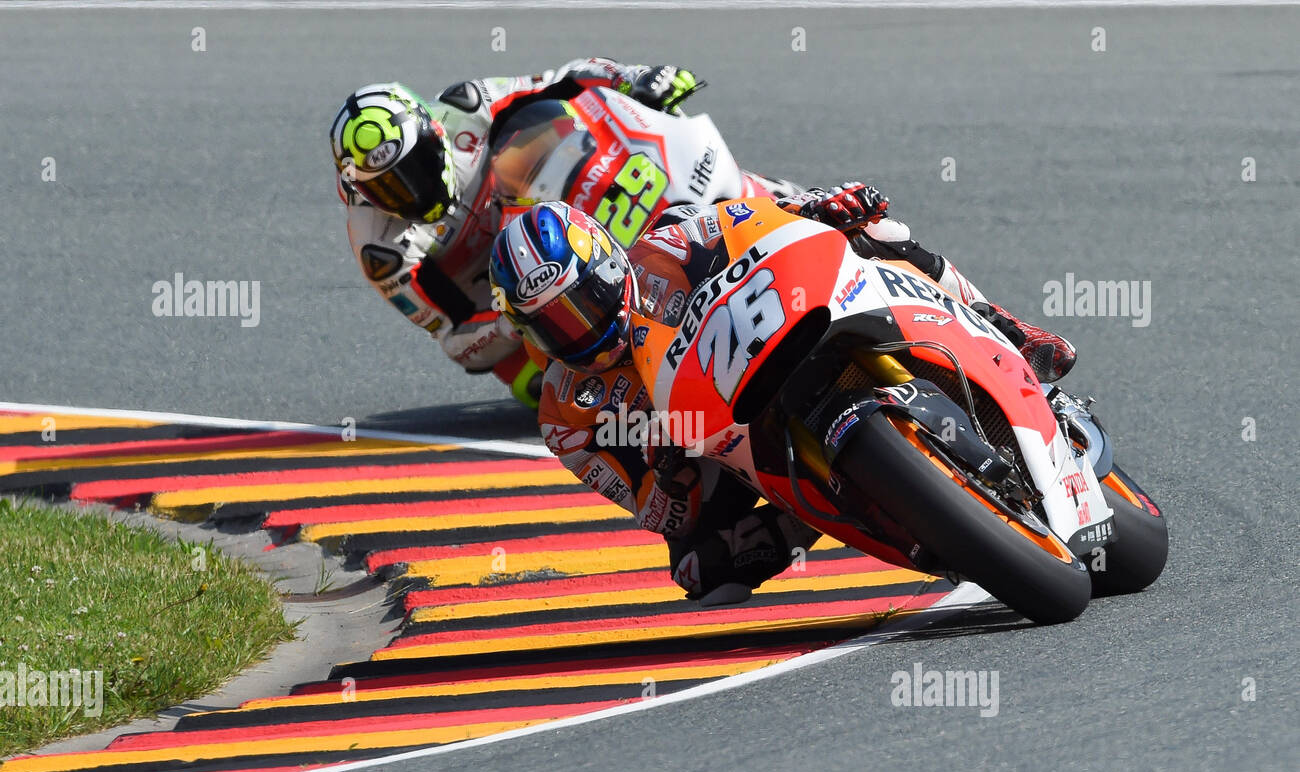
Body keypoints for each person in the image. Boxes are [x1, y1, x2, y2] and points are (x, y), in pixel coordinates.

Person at [488, 186, 1077, 603]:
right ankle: (830, 515)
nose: (581, 327)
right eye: (555, 324)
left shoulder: (670, 242)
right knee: (699, 570)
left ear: (608, 264)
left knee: (872, 228)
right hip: (720, 447)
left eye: (583, 300)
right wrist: (668, 469)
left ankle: (1005, 325)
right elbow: (659, 514)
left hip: (778, 329)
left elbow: (761, 218)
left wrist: (820, 207)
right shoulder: (567, 416)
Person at [329, 61, 704, 408]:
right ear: (361, 191)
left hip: (552, 217)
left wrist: (633, 78)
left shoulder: (468, 106)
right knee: (563, 392)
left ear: (435, 132)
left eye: (418, 167)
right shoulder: (382, 251)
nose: (413, 191)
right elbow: (456, 340)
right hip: (516, 314)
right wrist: (513, 318)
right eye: (388, 189)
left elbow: (564, 80)